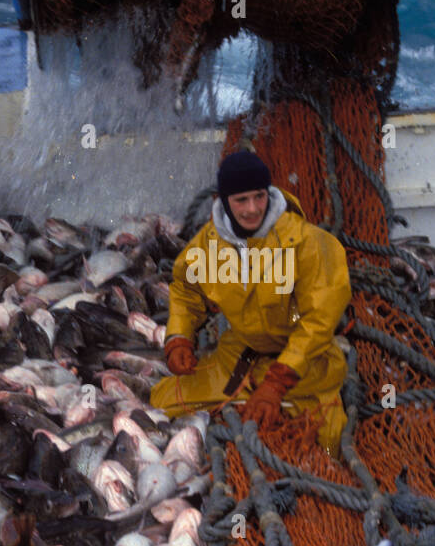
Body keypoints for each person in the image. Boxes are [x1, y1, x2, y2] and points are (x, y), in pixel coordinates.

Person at [150, 151, 352, 454]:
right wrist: (179, 338)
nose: (253, 208)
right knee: (159, 405)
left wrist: (278, 381)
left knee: (325, 444)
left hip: (306, 364)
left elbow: (318, 322)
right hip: (239, 357)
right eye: (241, 200)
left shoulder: (310, 244)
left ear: (269, 194)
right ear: (223, 200)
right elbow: (186, 291)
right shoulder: (207, 244)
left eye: (259, 197)